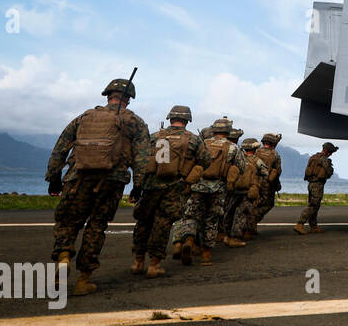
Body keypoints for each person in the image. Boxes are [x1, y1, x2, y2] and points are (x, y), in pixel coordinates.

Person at [46, 77, 152, 296]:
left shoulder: (85, 117)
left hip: (77, 178)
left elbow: (60, 148)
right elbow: (142, 157)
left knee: (67, 222)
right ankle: (84, 279)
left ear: (107, 96)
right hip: (111, 182)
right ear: (129, 100)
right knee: (96, 226)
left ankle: (64, 254)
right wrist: (138, 185)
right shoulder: (136, 122)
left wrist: (54, 177)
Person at [132, 105, 209, 279]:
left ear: (170, 118)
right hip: (175, 187)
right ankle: (154, 265)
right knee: (163, 224)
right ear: (187, 120)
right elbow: (205, 161)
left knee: (144, 223)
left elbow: (141, 159)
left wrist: (138, 184)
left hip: (151, 186)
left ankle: (137, 262)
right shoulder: (194, 140)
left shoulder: (155, 136)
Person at [171, 117, 242, 265]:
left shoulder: (202, 143)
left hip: (197, 186)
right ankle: (206, 255)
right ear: (228, 131)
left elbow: (193, 162)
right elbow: (241, 168)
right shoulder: (233, 148)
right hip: (218, 189)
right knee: (211, 219)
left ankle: (189, 241)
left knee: (191, 216)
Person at [230, 138, 268, 243]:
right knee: (244, 213)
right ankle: (237, 237)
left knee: (231, 212)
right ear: (255, 149)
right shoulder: (257, 161)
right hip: (248, 191)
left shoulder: (238, 158)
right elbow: (266, 173)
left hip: (235, 190)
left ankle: (226, 235)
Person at [294, 142, 338, 234]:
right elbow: (329, 172)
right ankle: (300, 224)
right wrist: (331, 167)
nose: (331, 154)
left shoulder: (313, 157)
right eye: (331, 152)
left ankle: (313, 226)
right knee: (313, 206)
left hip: (311, 184)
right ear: (328, 152)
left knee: (315, 205)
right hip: (317, 184)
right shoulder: (324, 159)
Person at [251, 133, 283, 235]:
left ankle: (250, 226)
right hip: (266, 184)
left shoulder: (256, 151)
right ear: (273, 143)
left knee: (253, 204)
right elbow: (277, 171)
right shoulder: (275, 154)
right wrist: (277, 186)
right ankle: (251, 224)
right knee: (268, 204)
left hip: (253, 182)